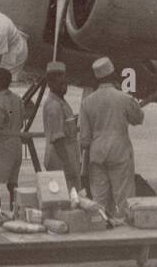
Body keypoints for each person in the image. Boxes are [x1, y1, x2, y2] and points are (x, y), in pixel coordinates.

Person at [79, 56, 145, 219]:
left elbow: (85, 139)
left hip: (97, 152)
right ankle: (125, 233)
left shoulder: (87, 102)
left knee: (99, 198)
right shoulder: (123, 98)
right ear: (113, 74)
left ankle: (101, 230)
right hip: (119, 151)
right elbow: (139, 118)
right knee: (124, 197)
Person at [0, 67, 25, 209]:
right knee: (13, 183)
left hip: (2, 146)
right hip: (16, 143)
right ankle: (15, 211)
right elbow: (20, 123)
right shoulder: (18, 99)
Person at [41, 61, 82, 192]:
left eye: (65, 83)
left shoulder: (61, 102)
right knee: (65, 199)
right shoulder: (54, 106)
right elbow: (57, 139)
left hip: (67, 157)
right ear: (50, 84)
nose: (64, 87)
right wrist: (68, 165)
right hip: (60, 160)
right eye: (60, 84)